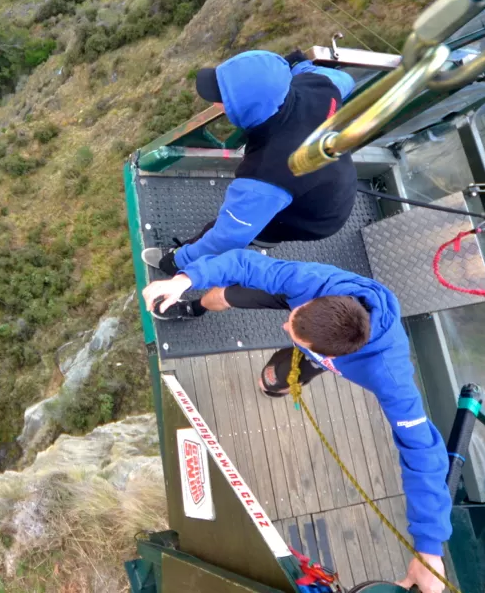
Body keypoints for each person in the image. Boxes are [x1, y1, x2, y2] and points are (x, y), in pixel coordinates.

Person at [142, 249, 451, 593]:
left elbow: (423, 452)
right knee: (224, 295)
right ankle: (197, 306)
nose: (283, 324)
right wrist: (184, 281)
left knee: (274, 379)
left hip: (325, 347)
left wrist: (429, 549)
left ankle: (292, 373)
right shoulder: (315, 284)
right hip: (312, 318)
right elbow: (245, 263)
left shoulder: (389, 376)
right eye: (294, 318)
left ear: (330, 356)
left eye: (292, 331)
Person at [141, 49, 358, 299]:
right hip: (335, 181)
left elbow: (224, 239)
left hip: (317, 217)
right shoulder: (317, 86)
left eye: (222, 98)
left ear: (248, 108)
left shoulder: (265, 172)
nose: (214, 103)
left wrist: (180, 261)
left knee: (238, 229)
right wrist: (291, 69)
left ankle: (178, 260)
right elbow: (344, 81)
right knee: (254, 215)